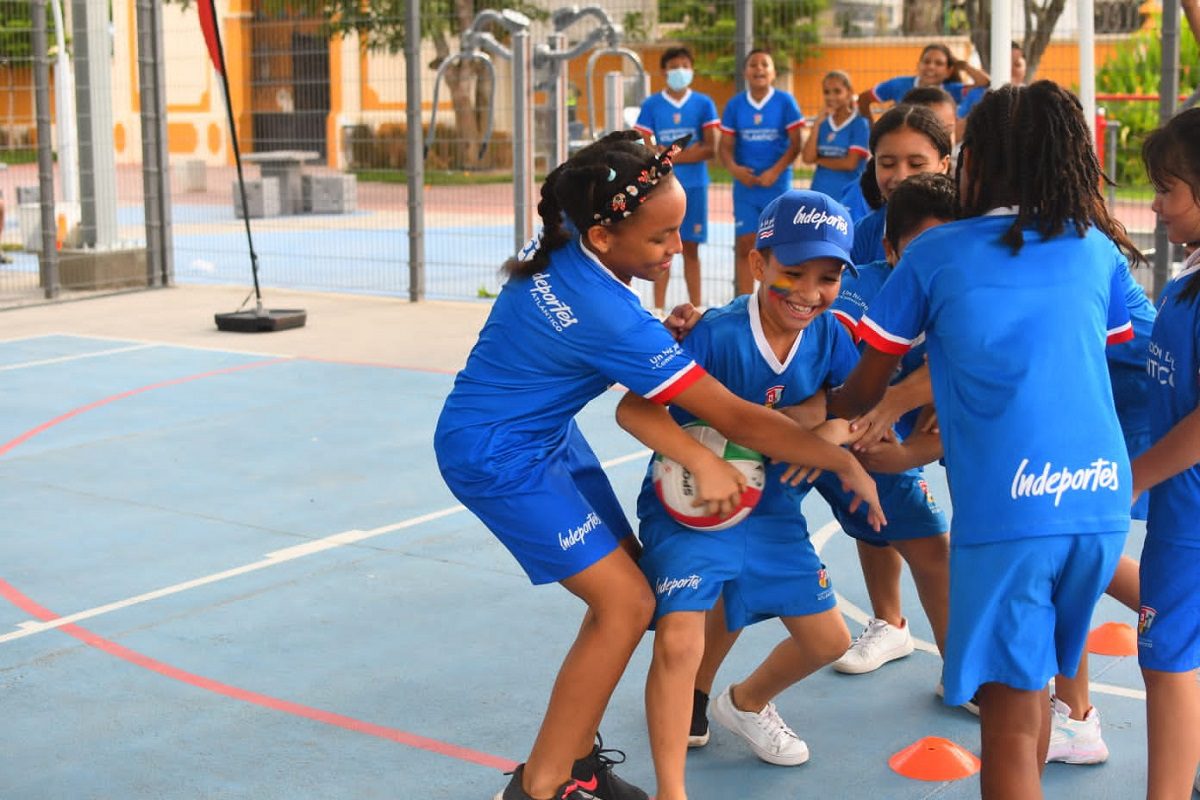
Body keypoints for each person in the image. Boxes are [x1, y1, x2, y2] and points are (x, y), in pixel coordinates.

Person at [434, 130, 882, 800]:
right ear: (606, 235)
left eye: (679, 231)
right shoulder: (611, 314)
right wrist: (835, 462)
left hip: (537, 436)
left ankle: (576, 758)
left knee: (633, 594)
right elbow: (733, 416)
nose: (678, 247)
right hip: (500, 457)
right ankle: (545, 786)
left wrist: (661, 336)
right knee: (627, 604)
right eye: (661, 237)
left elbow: (605, 335)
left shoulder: (567, 242)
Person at [831, 81, 1143, 799]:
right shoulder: (1094, 249)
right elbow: (1113, 346)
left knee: (1004, 726)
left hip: (1011, 516)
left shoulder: (937, 251)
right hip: (1099, 505)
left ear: (976, 160)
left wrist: (819, 414)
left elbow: (864, 385)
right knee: (1039, 699)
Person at [616, 190, 879, 800]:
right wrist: (703, 460)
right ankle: (671, 791)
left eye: (827, 277)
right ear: (758, 265)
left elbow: (848, 405)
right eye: (793, 273)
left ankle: (745, 701)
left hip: (773, 509)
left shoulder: (832, 335)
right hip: (691, 505)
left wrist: (833, 433)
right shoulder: (715, 333)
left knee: (830, 641)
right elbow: (635, 410)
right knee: (681, 638)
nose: (809, 292)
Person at [1133, 106, 1200, 800]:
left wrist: (1129, 479)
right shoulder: (1186, 282)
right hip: (1182, 512)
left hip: (1188, 515)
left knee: (1169, 662)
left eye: (1168, 188)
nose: (1155, 205)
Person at [635, 47, 719, 312]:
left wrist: (669, 155)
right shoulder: (651, 105)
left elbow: (710, 148)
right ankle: (658, 310)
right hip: (662, 189)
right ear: (664, 71)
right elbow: (644, 143)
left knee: (691, 249)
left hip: (694, 186)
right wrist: (660, 156)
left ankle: (696, 308)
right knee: (661, 249)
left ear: (692, 69)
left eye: (685, 65)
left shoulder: (704, 103)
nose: (680, 71)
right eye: (674, 66)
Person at [719, 49, 806, 296]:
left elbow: (796, 143)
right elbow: (724, 147)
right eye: (753, 64)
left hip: (776, 185)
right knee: (746, 244)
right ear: (745, 72)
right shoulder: (735, 105)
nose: (759, 69)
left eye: (764, 64)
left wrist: (774, 171)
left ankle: (777, 299)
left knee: (777, 246)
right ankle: (745, 303)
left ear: (773, 72)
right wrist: (736, 170)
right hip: (745, 188)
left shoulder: (785, 102)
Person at [848, 104, 952, 270]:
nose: (901, 177)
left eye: (916, 164)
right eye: (887, 164)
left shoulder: (964, 230)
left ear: (944, 165)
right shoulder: (862, 235)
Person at [856, 43, 989, 125]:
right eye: (926, 62)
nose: (931, 67)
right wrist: (871, 129)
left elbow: (985, 82)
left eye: (938, 63)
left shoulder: (952, 91)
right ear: (918, 65)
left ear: (948, 72)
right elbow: (863, 98)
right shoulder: (898, 84)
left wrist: (964, 65)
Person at [801, 70, 870, 202]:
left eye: (837, 91)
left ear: (849, 92)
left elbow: (850, 164)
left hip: (848, 197)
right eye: (826, 92)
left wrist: (820, 160)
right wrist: (816, 125)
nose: (831, 97)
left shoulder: (859, 124)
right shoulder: (823, 123)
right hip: (819, 194)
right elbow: (807, 158)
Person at [956, 42, 1026, 140]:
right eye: (1005, 64)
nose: (1009, 69)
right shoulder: (977, 94)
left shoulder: (1031, 99)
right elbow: (956, 132)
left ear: (1025, 68)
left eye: (1017, 64)